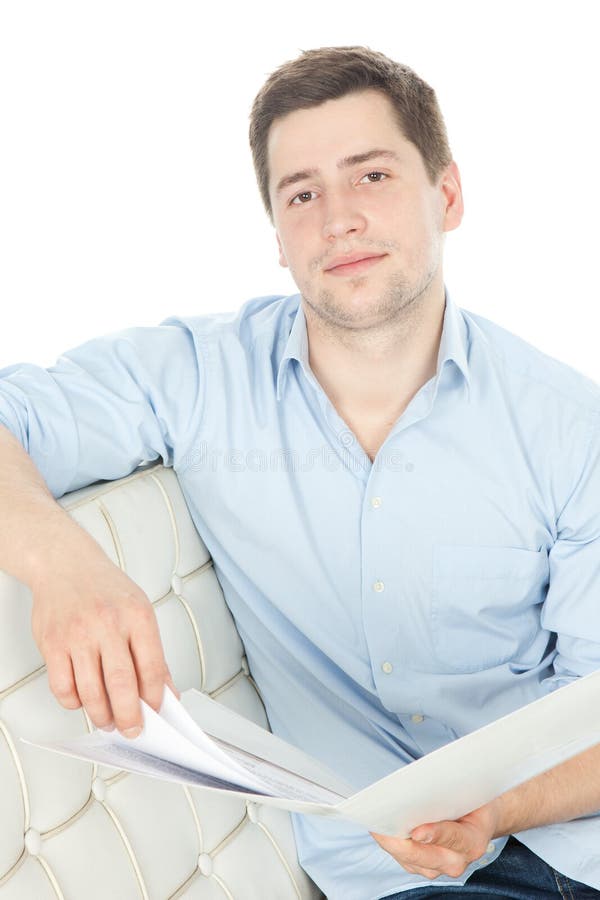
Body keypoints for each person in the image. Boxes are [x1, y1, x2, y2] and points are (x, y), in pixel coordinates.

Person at [1, 44, 599, 900]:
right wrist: (63, 565)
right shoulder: (198, 378)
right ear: (279, 236)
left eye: (373, 177)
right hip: (394, 880)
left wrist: (496, 809)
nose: (338, 219)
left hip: (567, 841)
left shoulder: (569, 426)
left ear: (449, 196)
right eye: (303, 194)